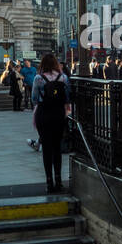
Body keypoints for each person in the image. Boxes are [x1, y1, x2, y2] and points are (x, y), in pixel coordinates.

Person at [31, 53, 71, 192]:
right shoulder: (63, 78)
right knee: (56, 149)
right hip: (58, 114)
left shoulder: (38, 78)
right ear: (55, 64)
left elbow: (34, 98)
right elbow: (67, 97)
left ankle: (49, 182)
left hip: (43, 114)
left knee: (46, 150)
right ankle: (59, 181)